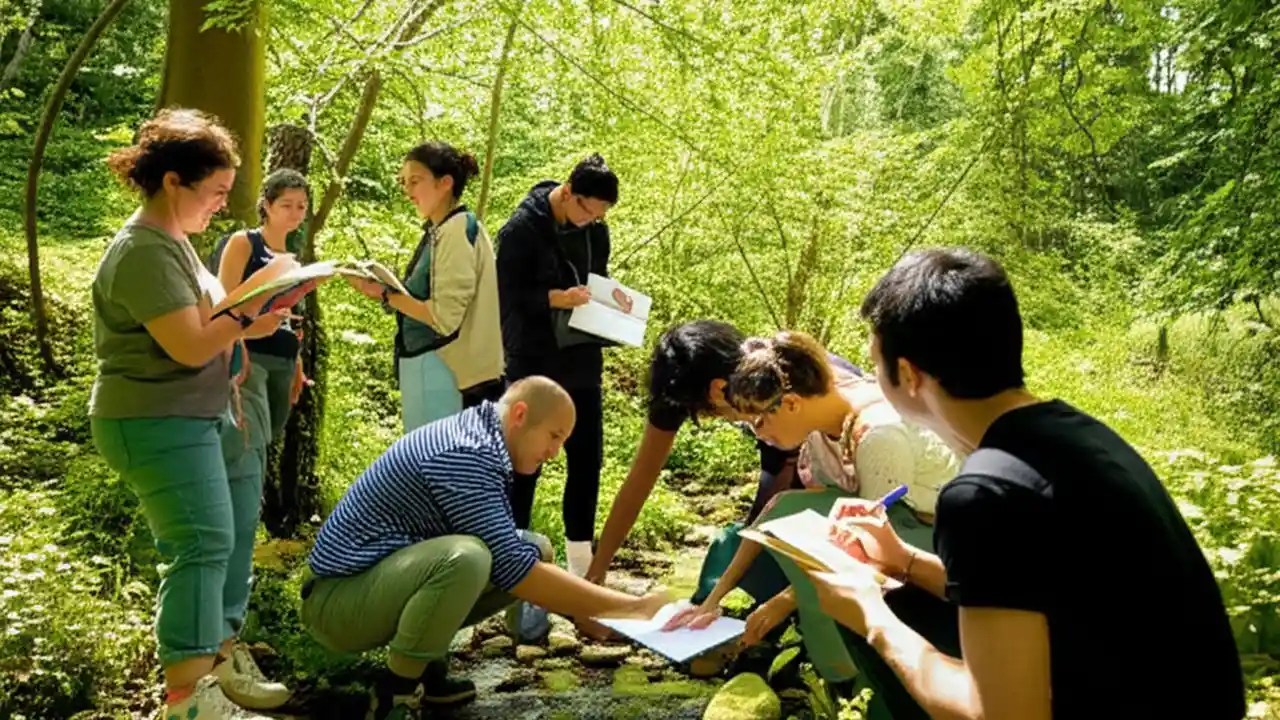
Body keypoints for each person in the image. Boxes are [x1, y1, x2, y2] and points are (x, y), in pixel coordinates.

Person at [802, 248, 1245, 720]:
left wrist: (872, 619)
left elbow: (1003, 715)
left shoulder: (983, 495)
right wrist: (904, 560)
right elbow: (1042, 589)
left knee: (887, 619)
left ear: (908, 374)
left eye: (875, 366)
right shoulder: (1075, 434)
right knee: (905, 597)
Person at [300, 377, 668, 719]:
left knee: (534, 548)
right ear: (520, 414)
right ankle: (391, 695)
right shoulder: (467, 451)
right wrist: (631, 609)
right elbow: (511, 569)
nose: (554, 453)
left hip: (374, 586)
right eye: (553, 436)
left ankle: (428, 669)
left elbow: (513, 555)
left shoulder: (483, 439)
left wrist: (600, 609)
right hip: (335, 601)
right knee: (468, 559)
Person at [90, 108, 296, 719]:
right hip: (153, 419)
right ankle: (189, 697)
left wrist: (269, 300)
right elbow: (188, 342)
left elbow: (215, 318)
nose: (221, 207)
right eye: (215, 193)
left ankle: (219, 667)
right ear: (173, 182)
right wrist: (245, 317)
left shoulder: (175, 241)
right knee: (199, 542)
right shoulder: (142, 251)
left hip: (197, 415)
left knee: (223, 537)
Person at [664, 330, 961, 701]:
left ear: (790, 404)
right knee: (793, 522)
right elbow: (780, 510)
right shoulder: (822, 427)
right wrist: (712, 602)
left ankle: (849, 682)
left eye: (759, 422)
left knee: (822, 563)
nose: (761, 435)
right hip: (888, 528)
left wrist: (782, 602)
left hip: (937, 539)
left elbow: (865, 544)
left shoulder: (879, 435)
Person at [584, 322, 829, 633]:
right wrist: (595, 582)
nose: (718, 419)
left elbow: (772, 515)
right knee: (736, 549)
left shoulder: (785, 391)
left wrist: (715, 598)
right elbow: (639, 480)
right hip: (796, 511)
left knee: (738, 549)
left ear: (718, 390)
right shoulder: (680, 391)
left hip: (838, 527)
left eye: (710, 412)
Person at [495, 153, 620, 579]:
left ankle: (582, 563)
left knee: (587, 456)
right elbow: (506, 296)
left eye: (600, 216)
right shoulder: (520, 230)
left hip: (582, 353)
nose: (591, 221)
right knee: (525, 458)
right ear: (568, 192)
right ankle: (512, 553)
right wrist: (555, 297)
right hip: (533, 355)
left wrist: (613, 306)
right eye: (587, 210)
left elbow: (599, 279)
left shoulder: (595, 232)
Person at [349, 141, 504, 431]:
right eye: (403, 183)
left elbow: (443, 319)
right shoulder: (442, 229)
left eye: (415, 181)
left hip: (447, 377)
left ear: (445, 183)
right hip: (432, 373)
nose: (408, 192)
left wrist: (384, 293)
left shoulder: (457, 230)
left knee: (437, 470)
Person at [215, 168, 311, 447]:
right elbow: (224, 305)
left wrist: (297, 359)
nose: (295, 213)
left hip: (284, 358)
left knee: (268, 440)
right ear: (267, 205)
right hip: (250, 355)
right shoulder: (245, 243)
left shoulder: (294, 257)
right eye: (286, 205)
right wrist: (253, 329)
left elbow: (288, 315)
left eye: (301, 206)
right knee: (245, 439)